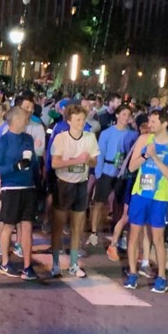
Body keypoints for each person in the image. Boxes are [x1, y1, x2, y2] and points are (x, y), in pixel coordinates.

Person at [126, 110, 168, 292]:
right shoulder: (144, 140)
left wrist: (155, 157)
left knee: (158, 238)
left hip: (159, 198)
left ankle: (161, 277)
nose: (149, 125)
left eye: (153, 122)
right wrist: (144, 155)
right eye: (149, 121)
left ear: (164, 124)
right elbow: (131, 166)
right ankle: (133, 273)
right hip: (140, 194)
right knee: (134, 235)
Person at [49, 104, 99, 278]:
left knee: (77, 226)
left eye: (83, 119)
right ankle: (55, 263)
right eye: (78, 119)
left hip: (81, 184)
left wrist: (88, 161)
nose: (81, 122)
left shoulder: (90, 137)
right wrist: (76, 160)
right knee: (58, 225)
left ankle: (73, 263)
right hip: (63, 184)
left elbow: (94, 162)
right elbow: (55, 163)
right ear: (69, 121)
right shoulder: (61, 138)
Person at [0, 106, 39, 280]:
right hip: (10, 188)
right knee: (9, 226)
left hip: (28, 187)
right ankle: (5, 262)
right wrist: (14, 167)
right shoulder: (3, 141)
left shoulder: (27, 139)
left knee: (27, 227)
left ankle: (27, 266)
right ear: (16, 120)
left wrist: (37, 182)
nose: (27, 120)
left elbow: (34, 162)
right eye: (25, 117)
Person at [93, 105, 136, 260]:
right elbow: (101, 153)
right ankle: (93, 231)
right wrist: (98, 172)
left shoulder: (133, 134)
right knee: (99, 202)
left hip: (123, 174)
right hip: (107, 170)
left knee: (120, 205)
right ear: (117, 115)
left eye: (128, 115)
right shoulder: (106, 133)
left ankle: (118, 233)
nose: (126, 117)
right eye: (123, 114)